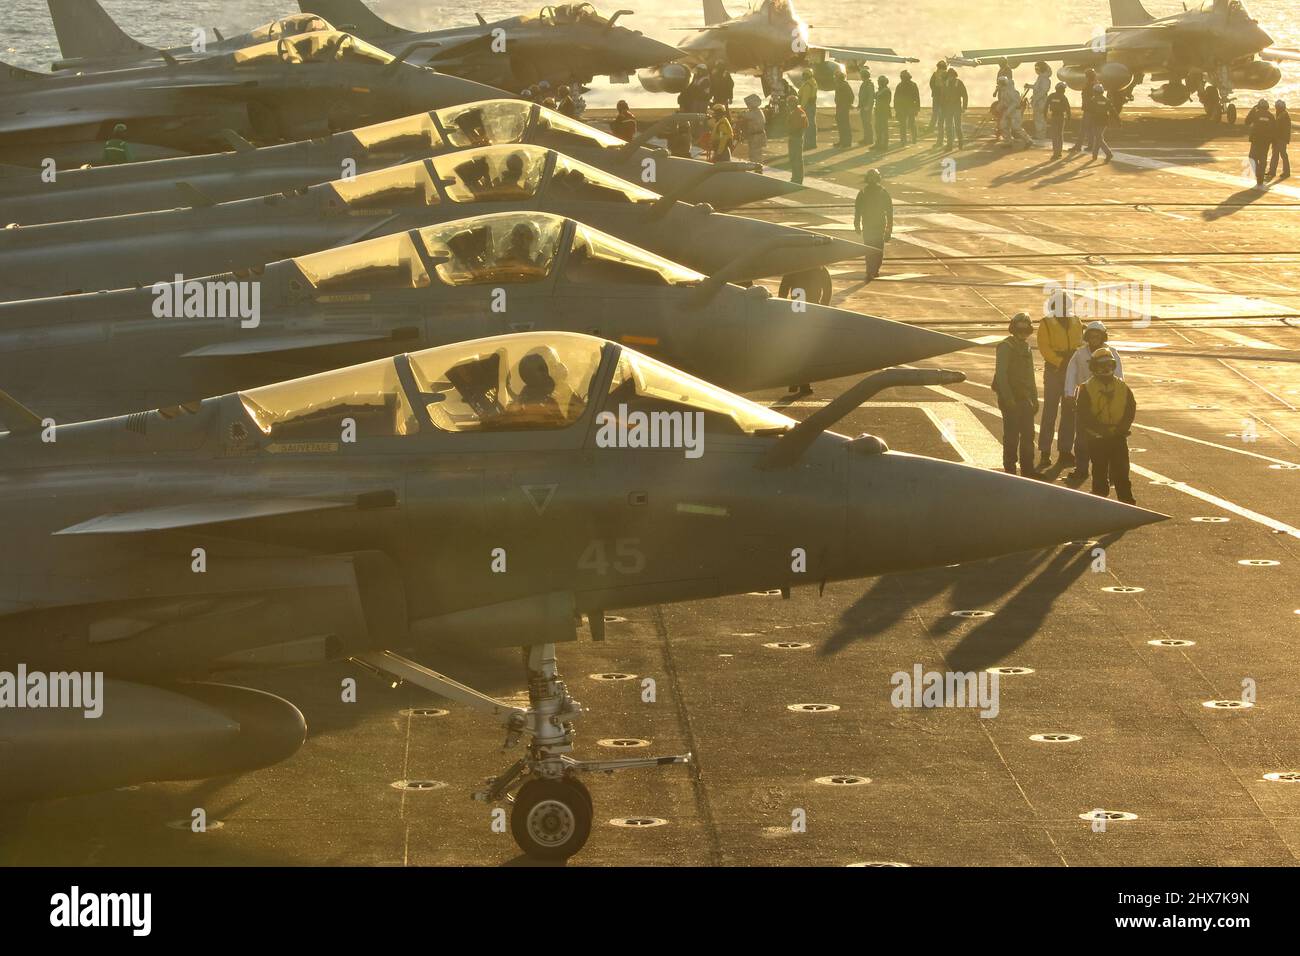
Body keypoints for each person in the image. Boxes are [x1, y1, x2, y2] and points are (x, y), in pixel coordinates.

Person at [1064, 321, 1122, 484]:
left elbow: (1119, 377)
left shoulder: (1112, 353)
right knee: (1081, 438)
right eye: (1091, 335)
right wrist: (1069, 393)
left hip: (1106, 400)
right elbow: (1071, 373)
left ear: (1103, 336)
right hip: (1085, 399)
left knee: (1107, 439)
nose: (1094, 338)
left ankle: (1110, 473)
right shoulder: (1080, 354)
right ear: (1087, 337)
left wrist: (1117, 397)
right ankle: (1081, 469)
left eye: (1097, 335)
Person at [1075, 348, 1136, 503]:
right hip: (1097, 438)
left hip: (1118, 437)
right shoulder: (1086, 388)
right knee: (1099, 471)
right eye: (1101, 365)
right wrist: (1099, 429)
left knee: (1122, 472)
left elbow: (1130, 409)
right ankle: (1100, 501)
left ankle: (1127, 501)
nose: (1106, 369)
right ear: (1093, 367)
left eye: (1109, 365)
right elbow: (1083, 414)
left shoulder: (1123, 387)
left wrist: (1121, 428)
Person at [1036, 294, 1084, 470]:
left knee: (1070, 411)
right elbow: (1044, 347)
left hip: (1071, 371)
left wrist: (1074, 362)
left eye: (1065, 305)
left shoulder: (1076, 322)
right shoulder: (1046, 323)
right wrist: (1060, 361)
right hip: (1055, 370)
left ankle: (1065, 451)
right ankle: (1045, 452)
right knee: (1050, 411)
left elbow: (1080, 343)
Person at [992, 312, 1040, 478]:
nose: (1022, 332)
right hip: (1010, 399)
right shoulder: (1006, 346)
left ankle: (1028, 470)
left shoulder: (1026, 347)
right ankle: (1010, 471)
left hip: (1024, 398)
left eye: (1025, 329)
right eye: (1019, 328)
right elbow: (1001, 375)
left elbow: (1030, 375)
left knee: (1028, 435)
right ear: (1013, 329)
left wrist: (1034, 398)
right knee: (1011, 436)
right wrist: (1008, 399)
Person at [854, 169, 893, 282]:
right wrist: (856, 224)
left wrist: (889, 229)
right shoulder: (875, 192)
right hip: (872, 225)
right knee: (874, 249)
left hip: (875, 226)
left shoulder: (867, 192)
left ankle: (873, 270)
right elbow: (858, 210)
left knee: (874, 249)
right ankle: (871, 270)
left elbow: (889, 212)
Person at [1067, 70, 1098, 155]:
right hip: (1093, 110)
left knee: (1083, 128)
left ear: (1087, 77)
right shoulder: (1095, 85)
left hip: (1088, 110)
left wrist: (1086, 106)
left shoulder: (1089, 86)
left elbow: (1088, 98)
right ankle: (1091, 146)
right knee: (1090, 129)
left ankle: (1078, 146)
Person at [998, 75, 1032, 148]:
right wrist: (998, 108)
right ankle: (1008, 141)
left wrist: (1008, 111)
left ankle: (1028, 140)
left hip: (1015, 111)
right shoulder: (1003, 91)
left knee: (1016, 127)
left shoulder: (1012, 91)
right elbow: (1003, 101)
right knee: (1003, 125)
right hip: (1008, 111)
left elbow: (1015, 102)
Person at [1247, 100, 1275, 188]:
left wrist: (1252, 110)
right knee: (1263, 159)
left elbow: (1247, 121)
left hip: (1256, 140)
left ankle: (1258, 173)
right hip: (1266, 142)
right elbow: (1275, 129)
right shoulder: (1271, 116)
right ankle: (1261, 177)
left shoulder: (1256, 114)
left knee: (1252, 157)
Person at [938, 69, 968, 150]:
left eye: (952, 75)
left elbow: (965, 95)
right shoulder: (946, 84)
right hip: (948, 108)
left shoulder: (959, 83)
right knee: (948, 127)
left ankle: (960, 143)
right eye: (950, 75)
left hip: (956, 107)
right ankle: (949, 145)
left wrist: (964, 107)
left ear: (955, 75)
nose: (951, 77)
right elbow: (942, 97)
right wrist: (941, 107)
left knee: (958, 126)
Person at [1086, 84, 1114, 161]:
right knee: (1098, 137)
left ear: (1095, 92)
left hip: (1096, 121)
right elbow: (1112, 110)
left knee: (1098, 138)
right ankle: (1094, 155)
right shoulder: (1106, 100)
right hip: (1104, 121)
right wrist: (1117, 120)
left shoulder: (1093, 100)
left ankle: (1108, 153)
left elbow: (1089, 110)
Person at [895, 69, 920, 146]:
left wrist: (897, 109)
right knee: (909, 124)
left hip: (906, 108)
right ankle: (912, 139)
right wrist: (917, 108)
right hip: (908, 107)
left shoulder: (900, 85)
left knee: (906, 124)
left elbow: (896, 98)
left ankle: (905, 140)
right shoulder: (912, 85)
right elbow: (917, 98)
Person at [1046, 82, 1071, 160]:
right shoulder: (1063, 97)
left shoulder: (1051, 96)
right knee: (1059, 135)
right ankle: (1059, 152)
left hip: (1054, 116)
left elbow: (1046, 105)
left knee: (1054, 135)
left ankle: (1055, 152)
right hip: (1060, 117)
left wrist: (1044, 115)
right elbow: (1067, 108)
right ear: (1062, 89)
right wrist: (1069, 117)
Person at [740, 93, 767, 163]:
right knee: (754, 155)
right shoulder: (757, 111)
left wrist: (742, 113)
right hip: (756, 136)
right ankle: (757, 168)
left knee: (755, 156)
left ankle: (758, 169)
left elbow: (746, 115)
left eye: (748, 104)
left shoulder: (756, 112)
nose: (747, 106)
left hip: (757, 136)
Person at [786, 95, 807, 184]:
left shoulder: (798, 112)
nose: (789, 104)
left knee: (796, 158)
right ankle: (796, 177)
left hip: (796, 137)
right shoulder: (797, 112)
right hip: (795, 136)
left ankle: (797, 178)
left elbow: (803, 125)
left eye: (790, 102)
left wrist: (795, 132)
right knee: (794, 158)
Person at [1269, 99, 1291, 181]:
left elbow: (1279, 128)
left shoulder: (1283, 116)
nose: (1276, 108)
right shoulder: (1282, 114)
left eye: (1277, 107)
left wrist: (1276, 138)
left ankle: (1285, 171)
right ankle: (1273, 171)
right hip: (1280, 138)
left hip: (1280, 139)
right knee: (1277, 155)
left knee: (1281, 155)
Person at [1031, 61, 1052, 140]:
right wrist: (1030, 86)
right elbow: (1037, 87)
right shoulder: (1041, 78)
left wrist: (1035, 99)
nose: (1036, 70)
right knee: (1038, 118)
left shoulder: (1045, 79)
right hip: (1038, 101)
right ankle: (1039, 134)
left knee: (1040, 119)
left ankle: (1040, 135)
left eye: (1037, 68)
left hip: (1041, 101)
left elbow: (1043, 91)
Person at [834, 70, 855, 148]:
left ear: (839, 78)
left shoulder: (844, 85)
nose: (835, 78)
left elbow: (851, 96)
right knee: (840, 124)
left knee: (845, 124)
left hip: (843, 107)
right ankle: (842, 141)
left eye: (836, 77)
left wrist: (848, 104)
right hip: (839, 107)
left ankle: (847, 142)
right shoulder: (839, 85)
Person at [798, 70, 819, 148]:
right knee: (812, 125)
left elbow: (805, 98)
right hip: (812, 106)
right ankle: (813, 143)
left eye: (804, 75)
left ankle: (808, 144)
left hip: (807, 107)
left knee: (807, 126)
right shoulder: (813, 82)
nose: (803, 77)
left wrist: (801, 108)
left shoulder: (807, 85)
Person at [928, 61, 948, 134]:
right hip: (944, 96)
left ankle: (931, 128)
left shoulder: (935, 74)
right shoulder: (947, 74)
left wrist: (934, 90)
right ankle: (946, 128)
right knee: (945, 113)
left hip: (936, 95)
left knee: (935, 113)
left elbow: (931, 83)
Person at [857, 67, 875, 147]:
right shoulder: (864, 84)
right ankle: (866, 138)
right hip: (863, 106)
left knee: (867, 123)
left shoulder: (869, 84)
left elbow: (871, 96)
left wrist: (868, 106)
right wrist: (859, 105)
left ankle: (869, 139)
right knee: (865, 123)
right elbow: (861, 96)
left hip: (867, 107)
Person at [873, 75, 892, 152]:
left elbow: (885, 102)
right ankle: (878, 143)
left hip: (883, 112)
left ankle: (884, 145)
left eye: (880, 81)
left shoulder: (886, 91)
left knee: (883, 129)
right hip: (879, 111)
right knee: (878, 128)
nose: (878, 83)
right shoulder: (880, 90)